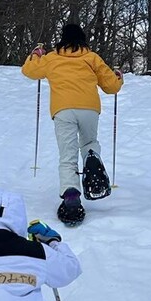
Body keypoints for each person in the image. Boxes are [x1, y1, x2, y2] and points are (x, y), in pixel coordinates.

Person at [20, 22, 123, 225]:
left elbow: (29, 71)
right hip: (89, 109)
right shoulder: (91, 58)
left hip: (63, 110)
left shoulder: (51, 58)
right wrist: (118, 78)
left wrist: (36, 54)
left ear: (63, 39)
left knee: (67, 155)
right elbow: (111, 86)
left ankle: (71, 198)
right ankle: (92, 157)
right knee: (89, 143)